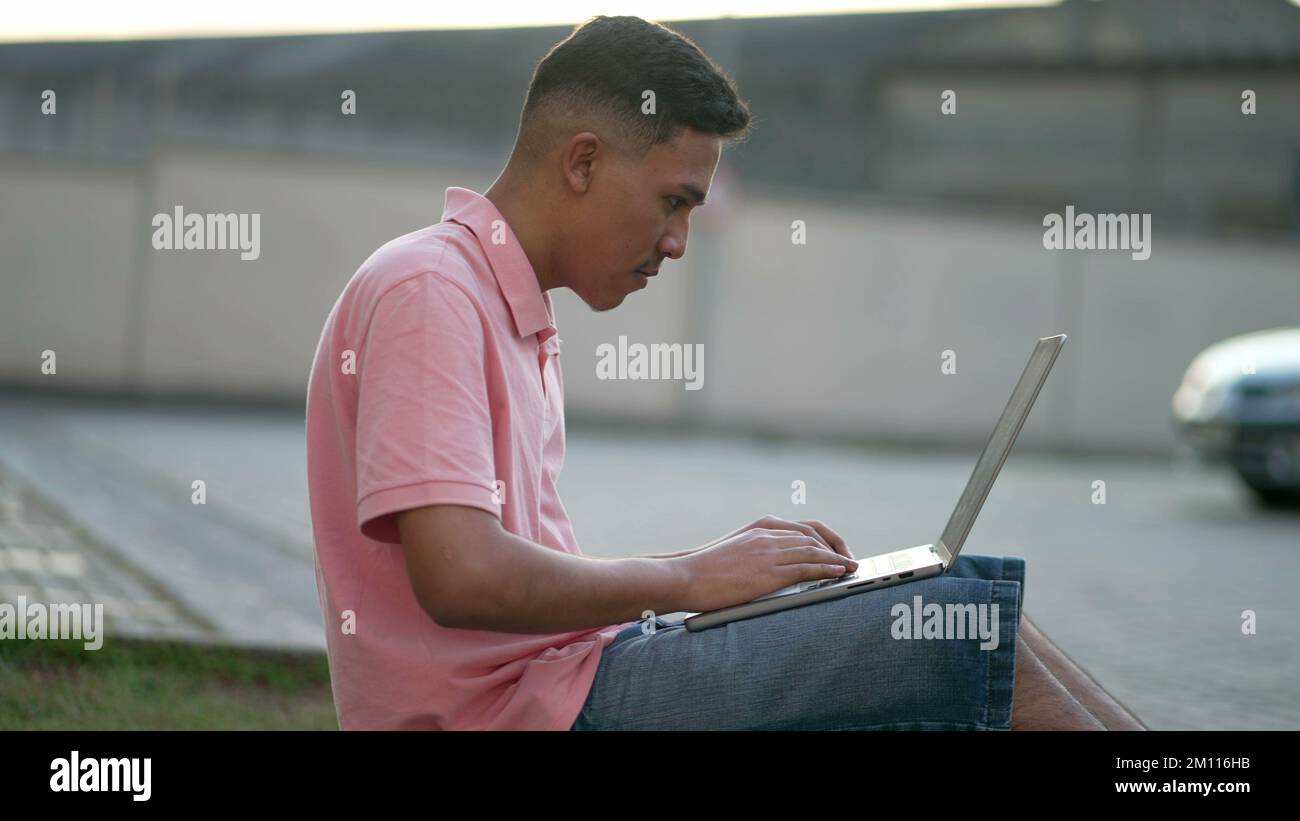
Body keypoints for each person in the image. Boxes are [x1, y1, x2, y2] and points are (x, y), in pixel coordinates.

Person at [305, 15, 1146, 731]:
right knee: (955, 621)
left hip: (566, 684)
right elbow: (463, 575)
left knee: (965, 597)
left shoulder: (507, 307)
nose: (677, 241)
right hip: (525, 714)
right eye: (674, 200)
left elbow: (508, 573)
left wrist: (712, 564)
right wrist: (691, 579)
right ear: (584, 162)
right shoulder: (431, 290)